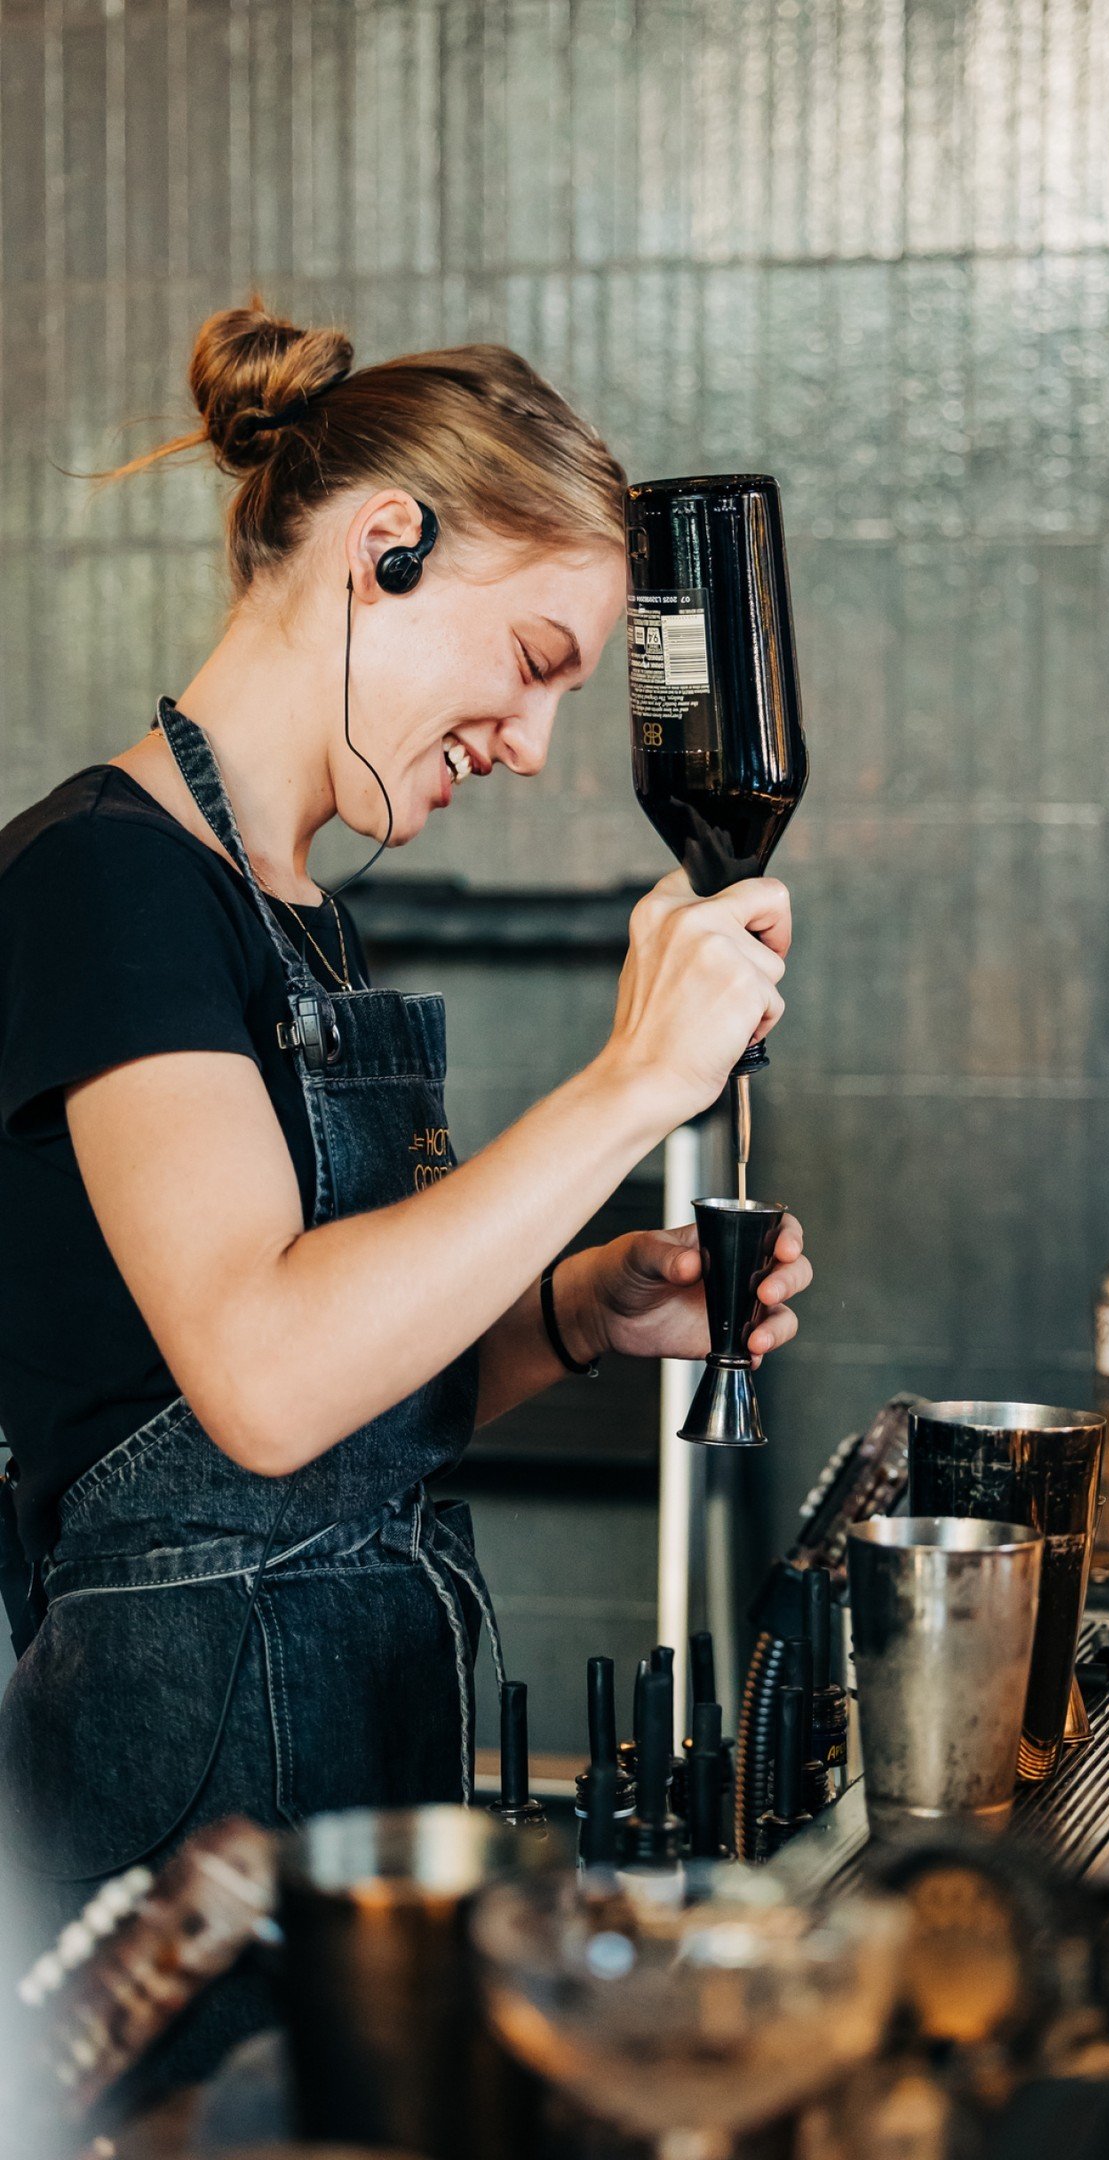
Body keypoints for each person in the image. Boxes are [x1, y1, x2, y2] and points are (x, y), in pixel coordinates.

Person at [0, 301, 809, 2078]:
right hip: (176, 1863)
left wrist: (577, 1317)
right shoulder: (106, 886)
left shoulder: (294, 909)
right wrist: (628, 1087)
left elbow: (355, 1395)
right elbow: (264, 1380)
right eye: (530, 659)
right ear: (388, 548)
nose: (528, 742)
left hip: (356, 1777)